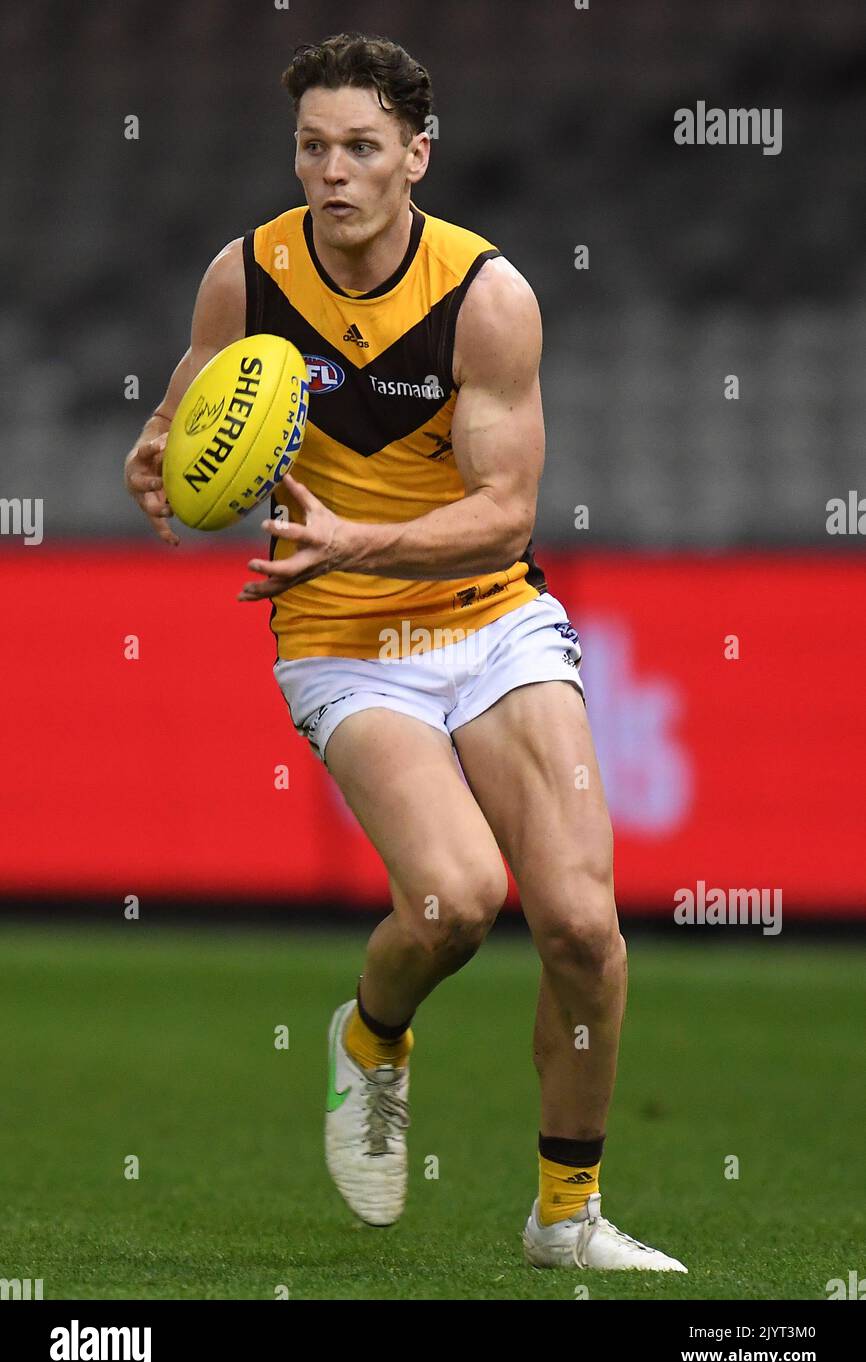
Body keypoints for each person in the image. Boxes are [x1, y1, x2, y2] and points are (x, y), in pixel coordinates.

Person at [124, 31, 686, 1274]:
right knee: (455, 901)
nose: (332, 171)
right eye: (312, 146)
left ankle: (565, 1215)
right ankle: (373, 1034)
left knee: (581, 927)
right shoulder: (247, 275)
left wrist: (355, 540)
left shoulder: (485, 297)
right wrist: (156, 450)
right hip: (340, 638)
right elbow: (191, 404)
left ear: (416, 157)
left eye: (361, 147)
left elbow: (506, 515)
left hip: (486, 617)